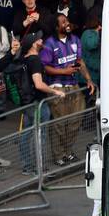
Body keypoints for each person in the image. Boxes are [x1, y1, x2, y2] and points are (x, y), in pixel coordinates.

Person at [40, 14, 95, 166]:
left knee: (75, 122)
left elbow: (80, 61)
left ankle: (68, 152)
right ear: (57, 27)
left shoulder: (75, 40)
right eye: (63, 22)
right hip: (57, 89)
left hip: (74, 86)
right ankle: (58, 155)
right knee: (60, 125)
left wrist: (89, 79)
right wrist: (63, 71)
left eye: (67, 20)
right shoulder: (49, 44)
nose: (67, 23)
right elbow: (45, 68)